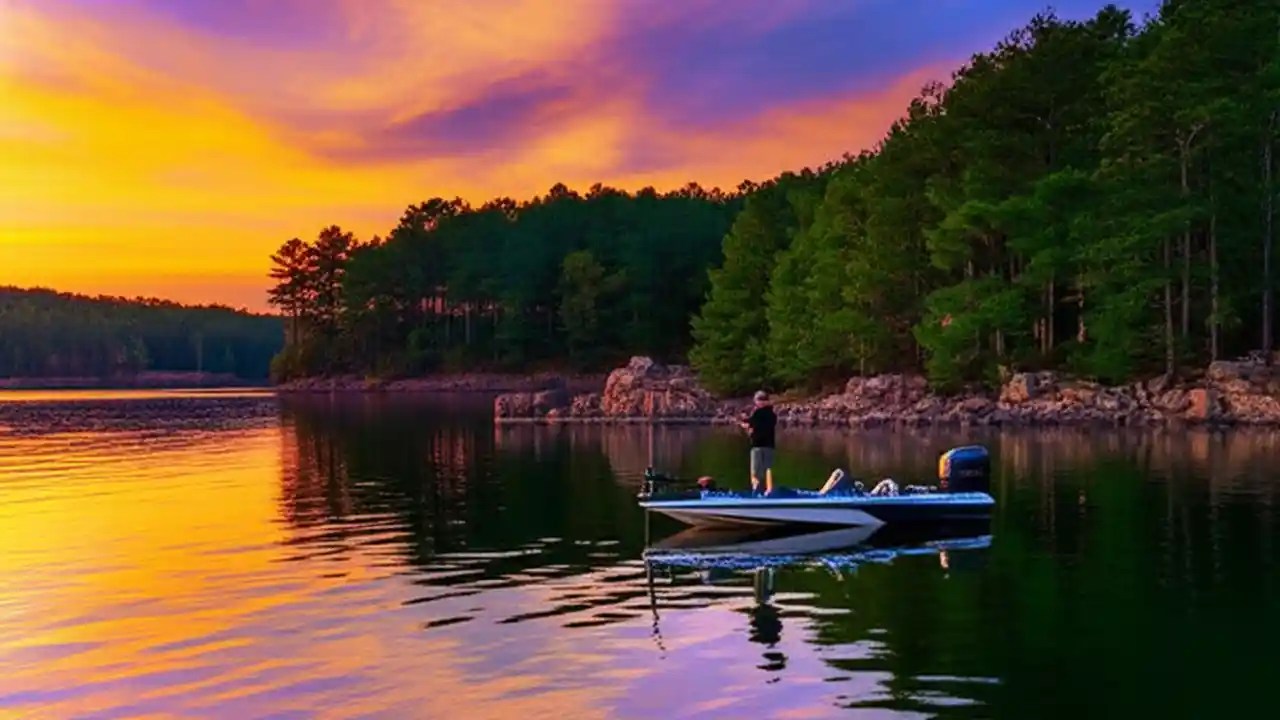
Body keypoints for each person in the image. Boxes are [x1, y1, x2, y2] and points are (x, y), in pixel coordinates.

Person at [740, 390, 777, 494]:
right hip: (770, 446)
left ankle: (756, 493)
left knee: (755, 474)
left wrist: (745, 426)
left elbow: (752, 429)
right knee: (768, 471)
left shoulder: (757, 413)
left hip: (757, 446)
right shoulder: (772, 414)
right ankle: (769, 492)